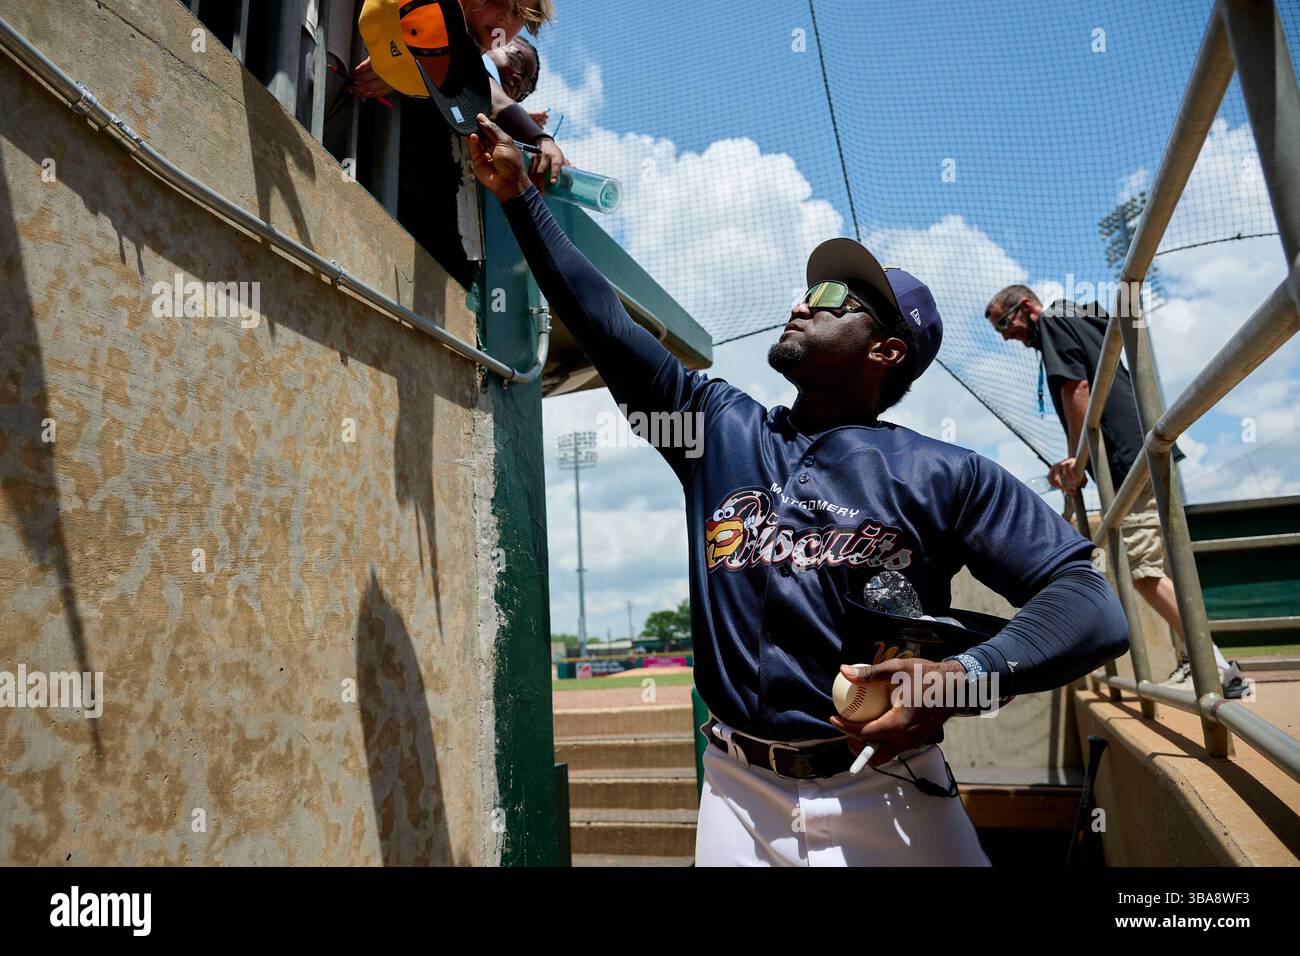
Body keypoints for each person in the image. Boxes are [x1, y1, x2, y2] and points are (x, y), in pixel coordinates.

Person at [470, 114, 1131, 866]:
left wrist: (960, 679)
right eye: (807, 287)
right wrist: (522, 196)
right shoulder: (716, 430)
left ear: (887, 349)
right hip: (736, 795)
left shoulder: (945, 472)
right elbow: (607, 329)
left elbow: (1090, 605)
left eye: (831, 296)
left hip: (886, 788)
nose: (802, 301)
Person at [984, 286, 1247, 699]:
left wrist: (1076, 459)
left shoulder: (1052, 320)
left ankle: (1218, 669)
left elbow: (1077, 388)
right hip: (1139, 448)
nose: (1005, 335)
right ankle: (1196, 660)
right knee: (1158, 564)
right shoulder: (1078, 315)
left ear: (1027, 307)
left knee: (1144, 573)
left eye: (1004, 322)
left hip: (1125, 458)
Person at [350, 0, 566, 188]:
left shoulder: (467, 58)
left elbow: (494, 98)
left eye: (518, 14)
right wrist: (398, 61)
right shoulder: (438, 15)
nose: (505, 18)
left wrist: (541, 139)